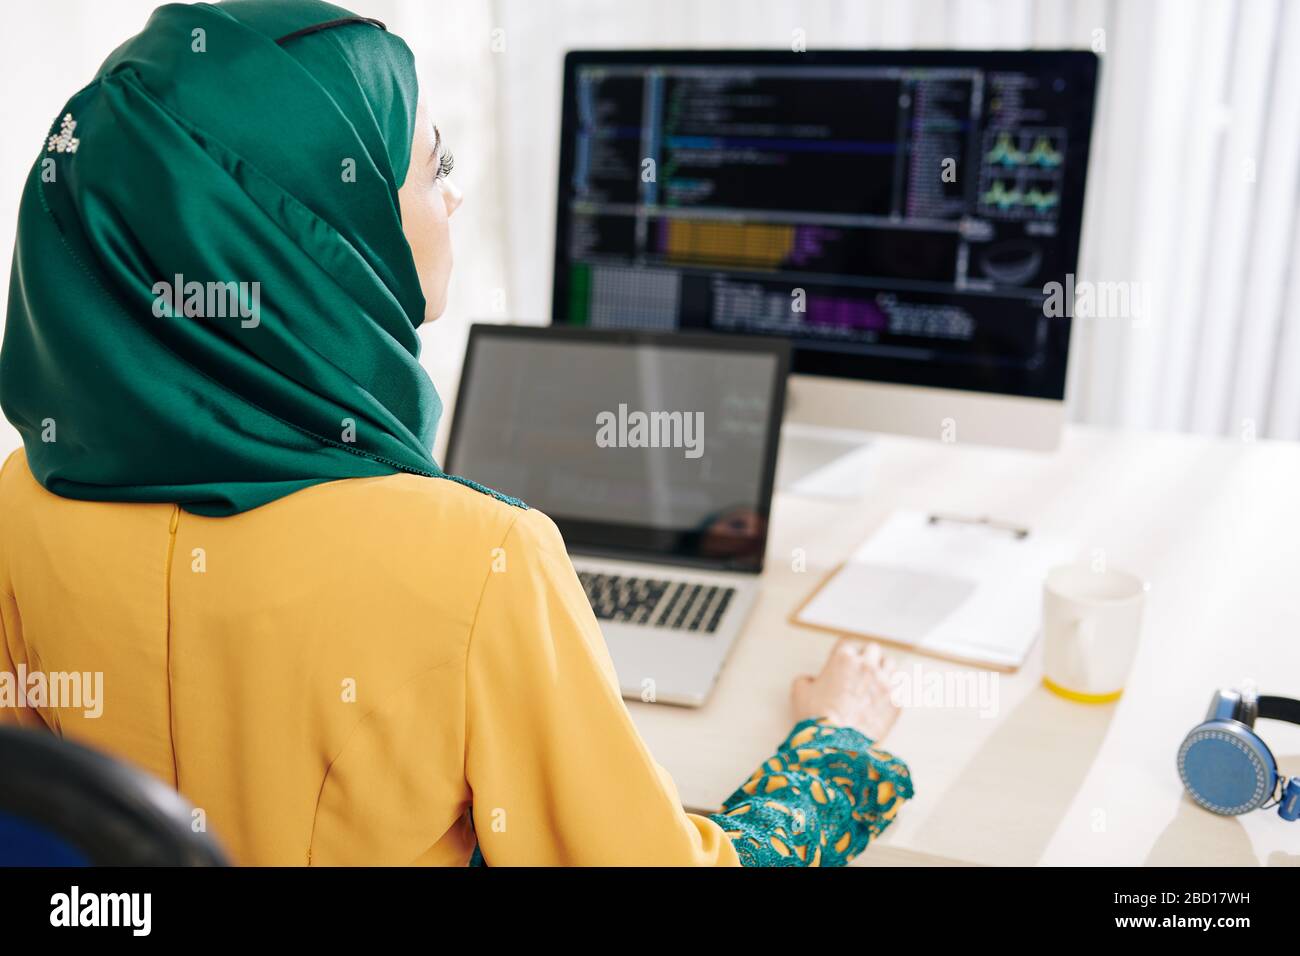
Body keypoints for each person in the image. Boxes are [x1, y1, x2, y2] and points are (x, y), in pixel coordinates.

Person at [0, 0, 910, 866]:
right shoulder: (482, 558)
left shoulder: (22, 499)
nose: (456, 199)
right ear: (318, 235)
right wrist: (836, 749)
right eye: (434, 168)